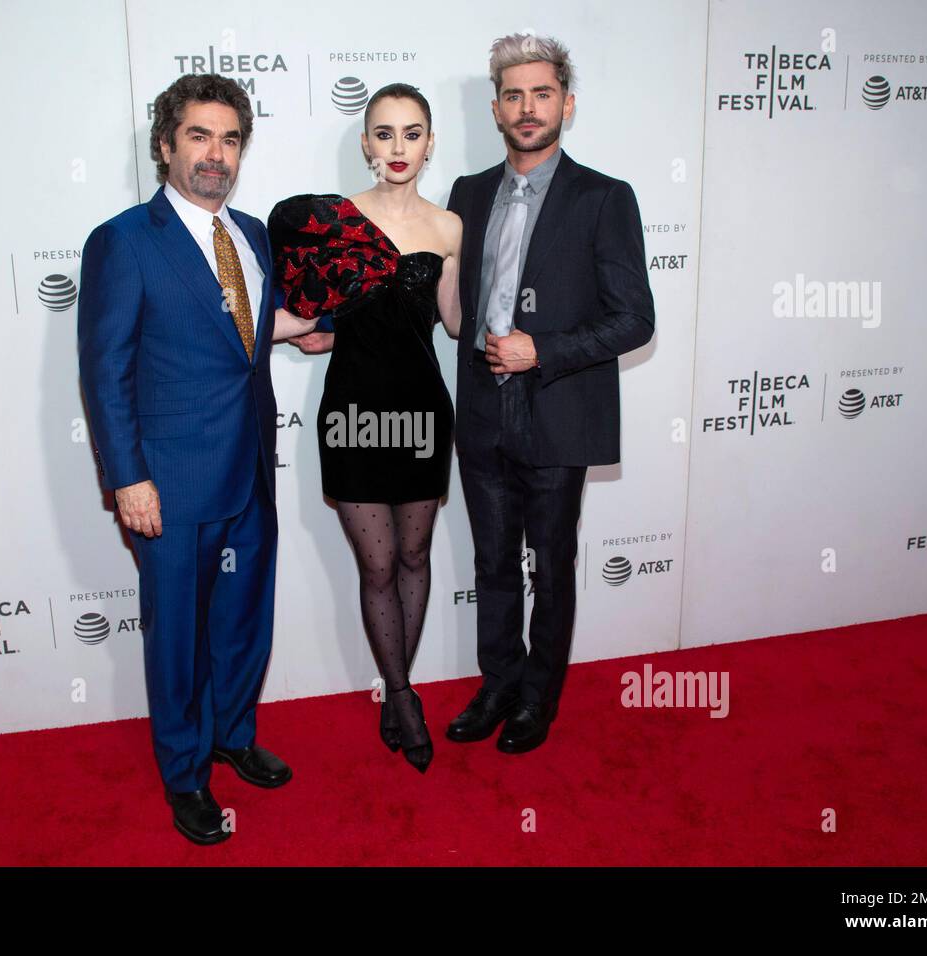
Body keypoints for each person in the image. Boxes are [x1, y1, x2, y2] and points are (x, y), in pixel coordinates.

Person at [77, 73, 317, 845]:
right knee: (178, 636)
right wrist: (127, 477)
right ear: (165, 145)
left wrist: (300, 328)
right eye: (199, 136)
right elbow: (105, 370)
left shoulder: (251, 233)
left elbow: (236, 334)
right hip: (171, 483)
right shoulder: (123, 240)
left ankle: (233, 735)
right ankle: (184, 775)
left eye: (230, 139)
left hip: (250, 467)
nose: (217, 154)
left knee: (244, 618)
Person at [443, 34, 655, 753]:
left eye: (542, 93)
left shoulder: (603, 197)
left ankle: (539, 697)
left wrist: (544, 350)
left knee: (551, 564)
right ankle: (498, 683)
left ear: (566, 103)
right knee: (492, 561)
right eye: (514, 95)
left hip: (557, 409)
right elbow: (457, 303)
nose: (527, 108)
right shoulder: (468, 194)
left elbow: (634, 318)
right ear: (496, 109)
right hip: (482, 408)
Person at [270, 84, 462, 773]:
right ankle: (404, 696)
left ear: (430, 143)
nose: (398, 147)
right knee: (377, 565)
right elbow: (303, 310)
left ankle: (395, 690)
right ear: (365, 144)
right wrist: (245, 328)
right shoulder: (334, 222)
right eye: (384, 133)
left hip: (421, 412)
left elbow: (453, 322)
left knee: (415, 557)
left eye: (412, 133)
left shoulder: (448, 228)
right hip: (353, 412)